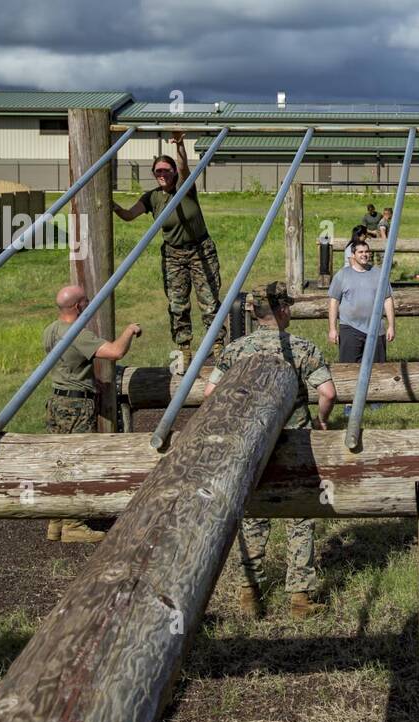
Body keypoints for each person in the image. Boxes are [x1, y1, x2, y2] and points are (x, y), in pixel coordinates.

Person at [207, 282, 336, 620]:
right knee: (300, 516)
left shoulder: (236, 350)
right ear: (281, 311)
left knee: (252, 513)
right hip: (294, 442)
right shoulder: (302, 348)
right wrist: (322, 421)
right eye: (287, 307)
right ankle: (299, 599)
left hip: (250, 442)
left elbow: (210, 394)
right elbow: (328, 393)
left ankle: (249, 592)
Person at [113, 131, 223, 364]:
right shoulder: (151, 198)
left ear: (173, 172)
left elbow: (184, 167)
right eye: (158, 171)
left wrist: (180, 144)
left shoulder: (185, 187)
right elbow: (129, 215)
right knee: (177, 303)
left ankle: (217, 345)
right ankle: (184, 348)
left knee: (209, 300)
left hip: (200, 250)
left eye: (166, 170)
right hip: (173, 254)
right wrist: (110, 205)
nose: (162, 174)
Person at [43, 285, 141, 543]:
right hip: (77, 407)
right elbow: (116, 351)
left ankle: (56, 521)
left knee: (58, 461)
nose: (88, 305)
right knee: (77, 462)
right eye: (86, 301)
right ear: (77, 306)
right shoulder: (78, 335)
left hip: (56, 401)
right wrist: (129, 331)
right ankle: (74, 525)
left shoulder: (50, 331)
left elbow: (68, 364)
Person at [329, 238, 396, 375]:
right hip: (350, 327)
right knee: (348, 369)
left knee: (378, 369)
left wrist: (391, 326)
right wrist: (332, 329)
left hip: (376, 328)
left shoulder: (379, 274)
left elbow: (387, 300)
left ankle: (375, 396)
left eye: (367, 252)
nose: (364, 254)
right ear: (353, 255)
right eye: (360, 252)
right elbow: (334, 302)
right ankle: (349, 396)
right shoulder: (342, 275)